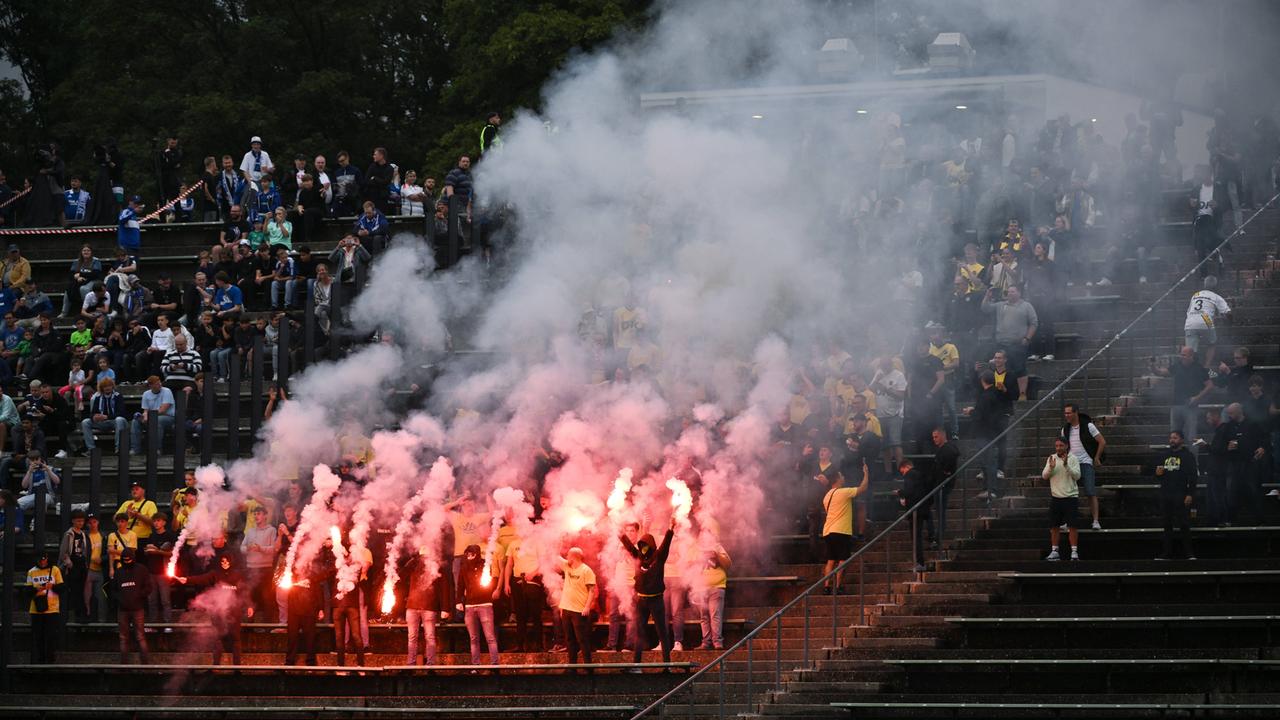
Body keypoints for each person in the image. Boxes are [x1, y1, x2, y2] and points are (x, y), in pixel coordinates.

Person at [174, 552, 249, 665]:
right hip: (218, 612)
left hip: (234, 612)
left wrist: (249, 605)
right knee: (217, 638)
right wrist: (187, 580)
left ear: (231, 561)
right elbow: (201, 578)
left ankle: (237, 668)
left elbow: (244, 591)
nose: (224, 563)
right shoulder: (215, 573)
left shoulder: (237, 575)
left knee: (236, 639)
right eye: (222, 561)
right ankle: (216, 666)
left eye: (227, 561)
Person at [621, 518, 676, 664]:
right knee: (639, 633)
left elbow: (666, 542)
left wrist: (671, 528)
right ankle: (636, 665)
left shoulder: (659, 556)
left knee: (662, 632)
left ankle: (667, 665)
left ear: (651, 545)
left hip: (656, 600)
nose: (643, 548)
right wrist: (620, 532)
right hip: (641, 600)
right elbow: (628, 546)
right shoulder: (638, 556)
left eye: (645, 545)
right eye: (641, 545)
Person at [1209, 402, 1266, 526]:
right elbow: (1219, 446)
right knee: (1231, 492)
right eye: (1228, 413)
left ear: (1239, 411)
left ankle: (1260, 520)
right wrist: (1227, 447)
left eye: (1231, 413)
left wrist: (1262, 447)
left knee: (1253, 490)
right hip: (1234, 463)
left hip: (1250, 462)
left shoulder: (1252, 424)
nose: (1229, 415)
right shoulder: (1227, 427)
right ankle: (1230, 520)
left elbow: (1263, 438)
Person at [816, 469, 870, 594]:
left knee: (831, 560)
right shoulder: (843, 492)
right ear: (837, 479)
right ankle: (838, 586)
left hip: (828, 531)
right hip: (841, 530)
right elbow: (863, 488)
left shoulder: (827, 496)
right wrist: (866, 473)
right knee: (843, 559)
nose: (843, 477)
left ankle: (826, 587)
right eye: (841, 476)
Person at [981, 284, 1038, 401]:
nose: (1009, 293)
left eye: (1012, 291)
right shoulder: (1000, 305)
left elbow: (1034, 323)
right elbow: (985, 308)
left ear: (1019, 293)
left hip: (1018, 343)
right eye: (1008, 291)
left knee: (1020, 368)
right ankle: (999, 392)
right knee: (1000, 367)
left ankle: (1022, 393)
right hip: (1001, 343)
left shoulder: (1026, 306)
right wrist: (987, 296)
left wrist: (1027, 338)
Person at [1151, 347, 1214, 443]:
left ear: (1191, 356)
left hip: (1190, 406)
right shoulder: (1177, 366)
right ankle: (1176, 453)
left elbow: (1210, 385)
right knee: (1174, 435)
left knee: (1191, 436)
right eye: (1181, 354)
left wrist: (1197, 398)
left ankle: (1192, 453)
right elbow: (1159, 372)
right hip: (1176, 405)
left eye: (1184, 355)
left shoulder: (1199, 368)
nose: (1181, 357)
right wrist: (1152, 365)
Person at [1153, 430, 1198, 560]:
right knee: (1167, 525)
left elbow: (1193, 476)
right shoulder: (1164, 455)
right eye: (1171, 438)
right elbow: (1158, 475)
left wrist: (1190, 494)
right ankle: (1166, 553)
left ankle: (1189, 553)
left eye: (1175, 438)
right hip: (1166, 494)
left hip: (1181, 494)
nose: (1172, 440)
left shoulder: (1187, 455)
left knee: (1184, 524)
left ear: (1181, 440)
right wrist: (1157, 474)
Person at [405, 543, 452, 665]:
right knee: (413, 637)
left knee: (429, 637)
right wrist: (415, 558)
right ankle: (411, 663)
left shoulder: (436, 565)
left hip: (429, 607)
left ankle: (430, 663)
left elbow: (444, 588)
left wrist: (445, 608)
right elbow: (403, 572)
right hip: (413, 606)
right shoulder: (414, 564)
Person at [1061, 404, 1106, 530]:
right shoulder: (1065, 429)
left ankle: (1095, 521)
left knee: (1090, 492)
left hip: (1086, 462)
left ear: (1076, 413)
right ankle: (1067, 521)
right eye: (1065, 413)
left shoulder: (1088, 426)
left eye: (1069, 413)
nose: (1066, 415)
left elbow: (1102, 441)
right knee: (1068, 494)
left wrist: (1096, 457)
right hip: (1072, 463)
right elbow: (1064, 446)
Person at [455, 543, 498, 667]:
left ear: (477, 554)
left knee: (490, 637)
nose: (469, 556)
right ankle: (475, 665)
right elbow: (460, 585)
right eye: (468, 554)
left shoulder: (485, 565)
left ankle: (495, 665)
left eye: (472, 554)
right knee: (473, 638)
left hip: (485, 604)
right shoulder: (464, 567)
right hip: (470, 606)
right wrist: (458, 601)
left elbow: (490, 582)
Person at [1043, 438, 1082, 561]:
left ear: (1066, 446)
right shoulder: (1052, 458)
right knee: (1054, 526)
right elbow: (1044, 476)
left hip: (1071, 497)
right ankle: (1054, 551)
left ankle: (1074, 552)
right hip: (1056, 497)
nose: (1058, 448)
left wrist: (1066, 465)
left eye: (1061, 445)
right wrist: (1051, 467)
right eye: (1056, 446)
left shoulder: (1073, 458)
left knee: (1072, 526)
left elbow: (1077, 476)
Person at [558, 547, 598, 667]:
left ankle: (588, 667)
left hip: (579, 611)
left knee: (582, 639)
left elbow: (592, 591)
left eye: (568, 555)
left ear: (573, 557)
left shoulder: (586, 570)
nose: (566, 558)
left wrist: (587, 607)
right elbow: (555, 557)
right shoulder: (567, 566)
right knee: (569, 639)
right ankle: (572, 667)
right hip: (566, 609)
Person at [114, 547, 153, 663]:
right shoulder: (118, 572)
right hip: (123, 609)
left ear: (133, 558)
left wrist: (139, 596)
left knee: (140, 636)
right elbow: (113, 590)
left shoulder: (142, 570)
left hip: (137, 608)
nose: (127, 562)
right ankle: (124, 664)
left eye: (129, 559)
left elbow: (149, 587)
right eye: (125, 560)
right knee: (123, 638)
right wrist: (120, 599)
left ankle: (145, 663)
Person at [240, 506, 277, 621]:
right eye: (255, 514)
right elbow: (241, 548)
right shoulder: (250, 531)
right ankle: (250, 625)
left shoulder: (271, 530)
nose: (256, 516)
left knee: (267, 598)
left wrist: (260, 548)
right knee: (250, 598)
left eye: (259, 514)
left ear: (265, 516)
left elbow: (273, 549)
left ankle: (267, 625)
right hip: (251, 568)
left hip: (266, 568)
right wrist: (248, 548)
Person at [1184, 276, 1230, 367]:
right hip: (1205, 319)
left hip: (1190, 322)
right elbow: (1227, 312)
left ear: (1204, 285)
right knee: (1212, 343)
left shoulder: (1195, 295)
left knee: (1190, 350)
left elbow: (1189, 311)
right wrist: (1230, 320)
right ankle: (1206, 367)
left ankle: (1190, 368)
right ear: (1216, 286)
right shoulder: (1216, 296)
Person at [897, 458, 933, 572]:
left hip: (915, 511)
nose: (903, 474)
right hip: (922, 509)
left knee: (915, 537)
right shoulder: (920, 474)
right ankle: (919, 562)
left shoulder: (910, 474)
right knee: (917, 536)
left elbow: (909, 491)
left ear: (906, 467)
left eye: (902, 471)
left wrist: (900, 493)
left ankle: (920, 562)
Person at [27, 550, 62, 663]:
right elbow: (27, 591)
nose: (42, 562)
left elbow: (62, 588)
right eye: (40, 560)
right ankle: (40, 659)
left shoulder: (55, 570)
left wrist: (52, 586)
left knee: (51, 635)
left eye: (44, 559)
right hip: (36, 608)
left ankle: (50, 658)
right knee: (38, 636)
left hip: (52, 608)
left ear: (47, 558)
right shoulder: (31, 572)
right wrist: (37, 589)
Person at [139, 513, 175, 622]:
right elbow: (146, 552)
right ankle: (153, 623)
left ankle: (168, 623)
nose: (156, 523)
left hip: (163, 572)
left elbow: (173, 553)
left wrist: (157, 551)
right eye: (154, 521)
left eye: (158, 520)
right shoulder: (151, 536)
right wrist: (148, 550)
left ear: (164, 522)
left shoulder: (169, 536)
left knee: (165, 600)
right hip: (151, 571)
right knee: (151, 600)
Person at [695, 543, 730, 650]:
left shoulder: (718, 547)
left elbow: (728, 564)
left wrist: (716, 554)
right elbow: (690, 567)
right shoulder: (696, 547)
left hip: (717, 586)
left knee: (715, 615)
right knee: (704, 617)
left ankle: (717, 642)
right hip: (701, 588)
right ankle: (706, 642)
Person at [81, 377, 128, 455]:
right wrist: (94, 417)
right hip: (101, 422)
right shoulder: (97, 397)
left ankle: (119, 449)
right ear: (102, 388)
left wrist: (107, 417)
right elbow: (92, 413)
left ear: (112, 386)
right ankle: (91, 449)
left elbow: (122, 413)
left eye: (109, 386)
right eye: (105, 386)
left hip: (114, 421)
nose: (107, 388)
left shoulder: (118, 396)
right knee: (85, 422)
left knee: (119, 419)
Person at [59, 509, 91, 622]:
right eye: (78, 521)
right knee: (75, 590)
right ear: (73, 521)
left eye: (82, 521)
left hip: (82, 565)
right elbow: (63, 552)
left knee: (81, 590)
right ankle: (77, 615)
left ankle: (80, 614)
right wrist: (69, 564)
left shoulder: (83, 534)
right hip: (73, 565)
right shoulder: (69, 534)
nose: (81, 523)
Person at [130, 375, 175, 455]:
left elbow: (163, 410)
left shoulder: (167, 391)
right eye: (157, 384)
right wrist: (144, 417)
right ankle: (135, 449)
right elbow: (145, 410)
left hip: (168, 417)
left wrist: (149, 416)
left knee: (157, 420)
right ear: (151, 386)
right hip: (151, 417)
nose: (160, 385)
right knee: (135, 421)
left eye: (160, 383)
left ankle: (157, 449)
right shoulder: (146, 394)